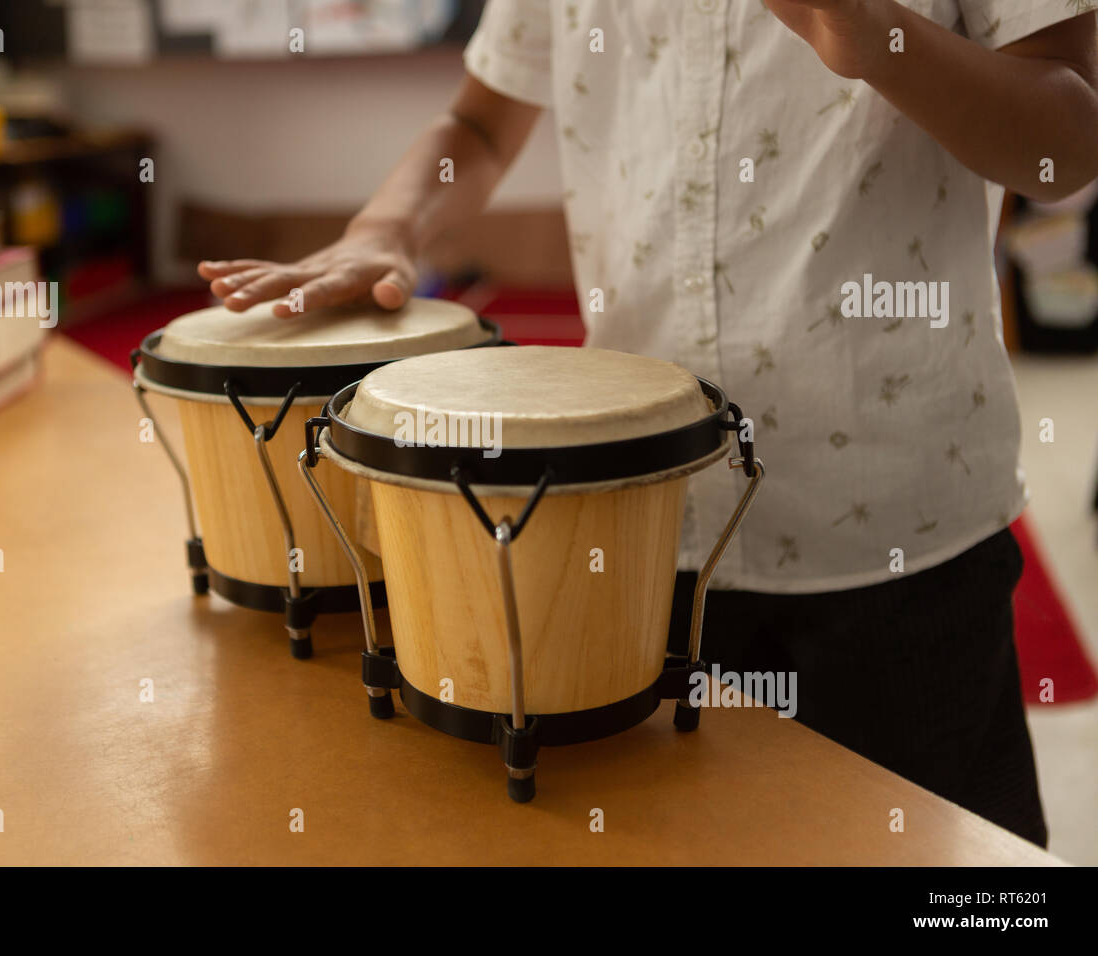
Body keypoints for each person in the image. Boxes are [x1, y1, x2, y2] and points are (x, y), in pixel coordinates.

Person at [199, 1, 1098, 847]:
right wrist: (387, 226)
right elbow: (479, 126)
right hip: (632, 523)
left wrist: (872, 37)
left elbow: (1067, 142)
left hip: (901, 542)